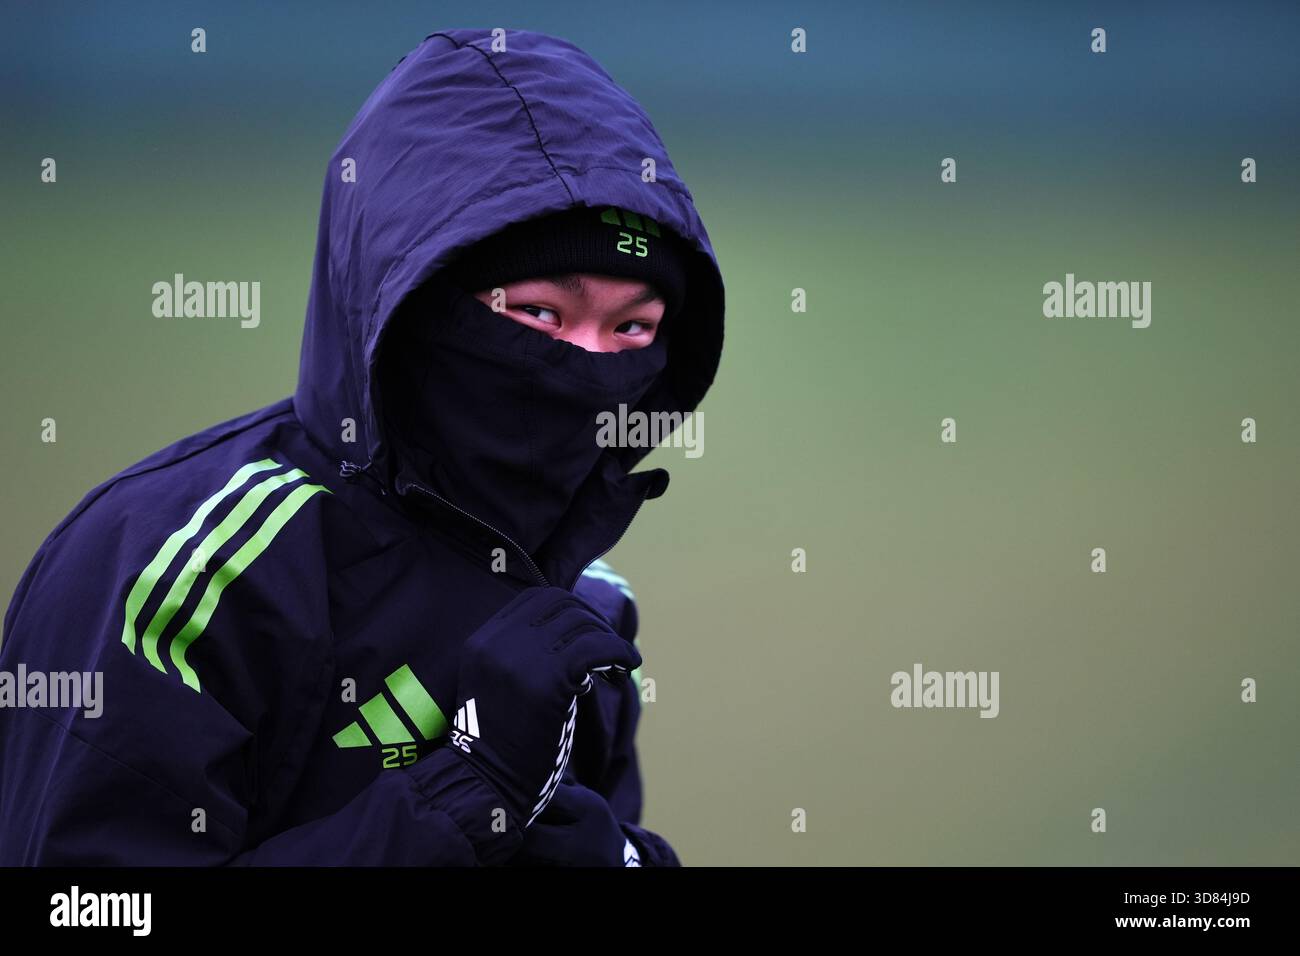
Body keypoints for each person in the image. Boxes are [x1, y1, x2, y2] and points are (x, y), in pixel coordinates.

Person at [0, 28, 724, 866]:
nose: (590, 366)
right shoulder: (177, 572)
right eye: (538, 315)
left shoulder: (592, 605)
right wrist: (466, 795)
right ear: (414, 304)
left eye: (633, 327)